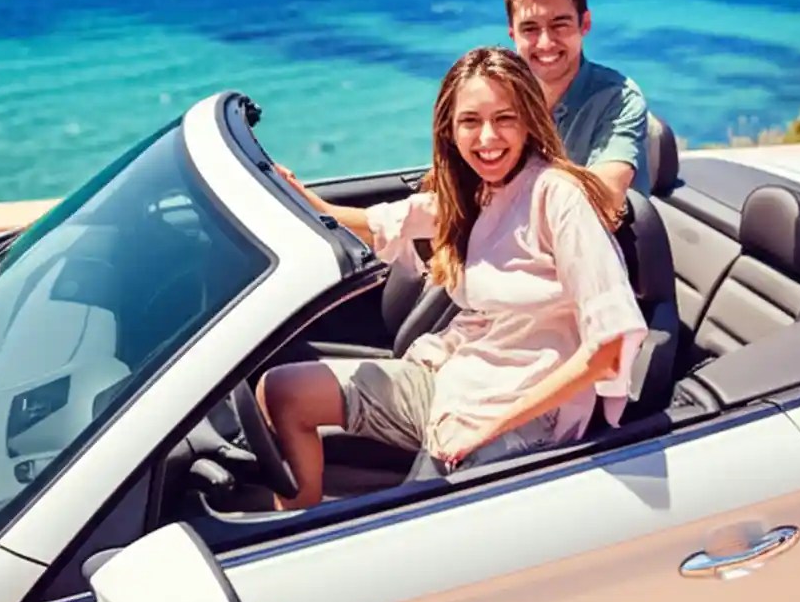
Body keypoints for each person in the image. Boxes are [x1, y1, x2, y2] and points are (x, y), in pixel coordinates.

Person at [259, 47, 648, 510]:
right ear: (450, 128)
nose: (488, 137)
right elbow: (385, 221)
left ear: (529, 121)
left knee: (403, 523)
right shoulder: (478, 191)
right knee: (283, 392)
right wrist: (303, 200)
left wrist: (491, 427)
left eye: (504, 118)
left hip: (528, 411)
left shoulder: (558, 197)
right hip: (460, 380)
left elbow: (609, 347)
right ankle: (294, 527)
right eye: (470, 121)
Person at [504, 0, 652, 202]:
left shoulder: (619, 99)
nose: (545, 43)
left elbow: (604, 196)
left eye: (559, 25)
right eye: (530, 29)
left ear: (585, 24)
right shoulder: (500, 97)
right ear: (513, 35)